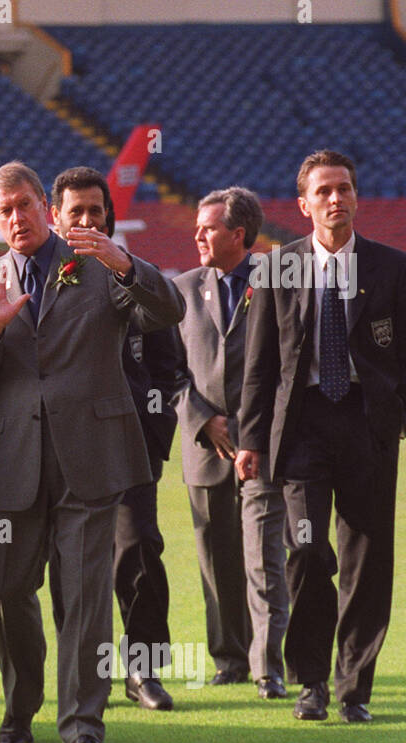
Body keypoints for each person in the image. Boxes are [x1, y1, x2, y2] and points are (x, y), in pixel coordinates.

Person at [0, 161, 181, 743]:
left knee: (84, 600)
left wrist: (126, 263)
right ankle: (21, 703)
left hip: (92, 462)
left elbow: (169, 311)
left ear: (45, 209)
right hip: (16, 466)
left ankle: (83, 727)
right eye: (4, 211)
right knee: (6, 588)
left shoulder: (98, 265)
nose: (16, 218)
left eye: (24, 206)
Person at [237, 150, 406, 722]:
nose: (335, 199)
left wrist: (399, 417)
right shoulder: (277, 269)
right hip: (301, 430)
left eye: (343, 188)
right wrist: (250, 439)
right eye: (322, 191)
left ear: (355, 196)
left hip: (367, 430)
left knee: (367, 559)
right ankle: (311, 681)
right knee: (307, 550)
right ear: (303, 204)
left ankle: (353, 689)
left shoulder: (391, 267)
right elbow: (258, 366)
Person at [47, 166, 181, 713]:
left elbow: (168, 356)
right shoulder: (36, 276)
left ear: (110, 217)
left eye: (94, 212)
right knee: (69, 564)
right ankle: (83, 671)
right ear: (54, 217)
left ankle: (142, 671)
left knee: (140, 548)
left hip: (126, 446)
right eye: (74, 212)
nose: (84, 221)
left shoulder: (128, 274)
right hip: (55, 449)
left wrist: (154, 429)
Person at [173, 187, 291, 698]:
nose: (197, 235)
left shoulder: (276, 283)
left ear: (238, 234)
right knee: (215, 562)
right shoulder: (179, 291)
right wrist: (203, 420)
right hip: (203, 448)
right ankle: (229, 658)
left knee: (264, 559)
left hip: (263, 444)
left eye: (208, 227)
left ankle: (270, 667)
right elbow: (166, 371)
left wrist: (252, 431)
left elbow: (286, 365)